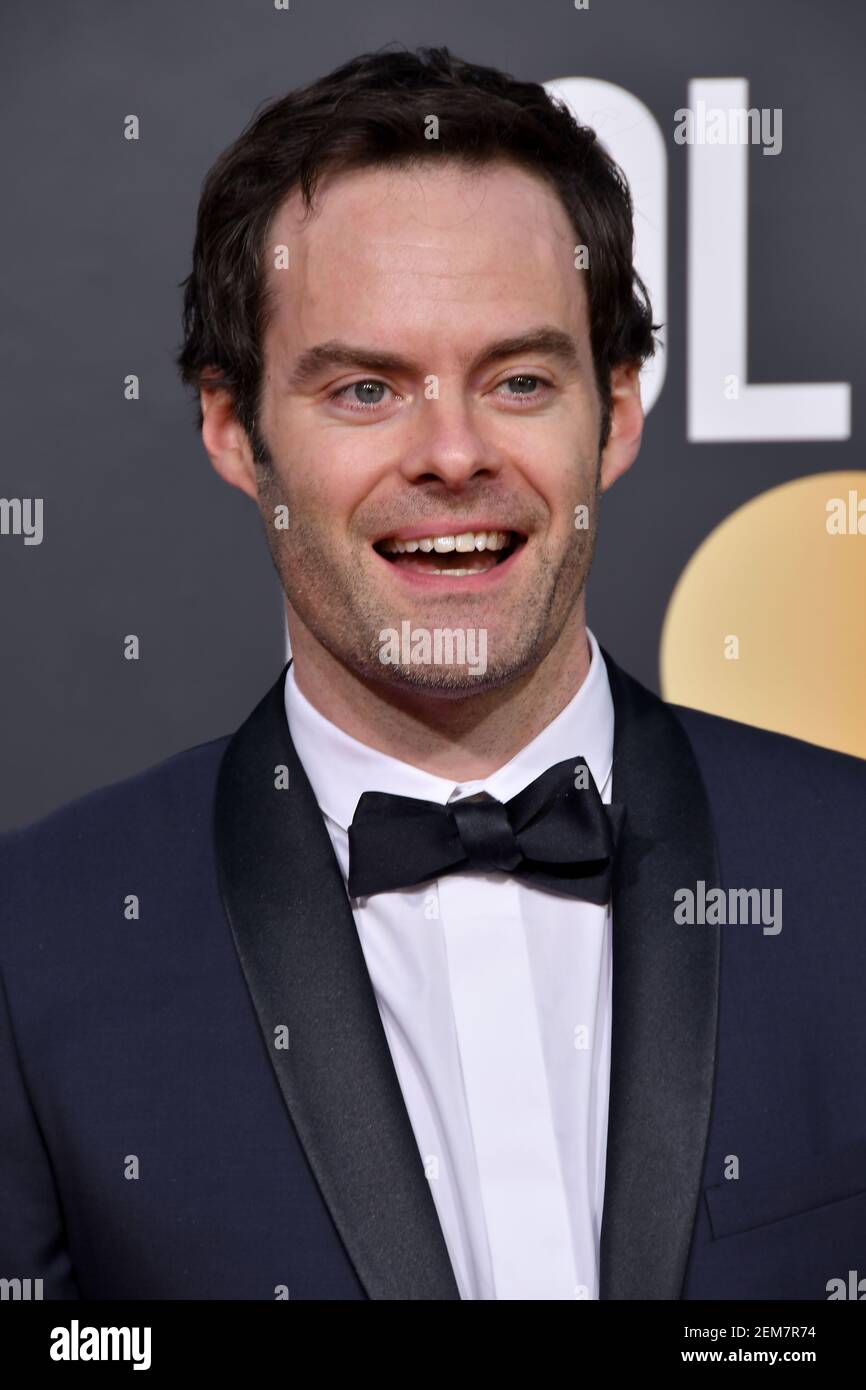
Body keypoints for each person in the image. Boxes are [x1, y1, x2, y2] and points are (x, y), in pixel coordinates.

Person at [2, 46, 865, 1303]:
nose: (452, 452)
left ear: (615, 409)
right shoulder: (36, 949)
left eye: (518, 379)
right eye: (364, 388)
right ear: (233, 430)